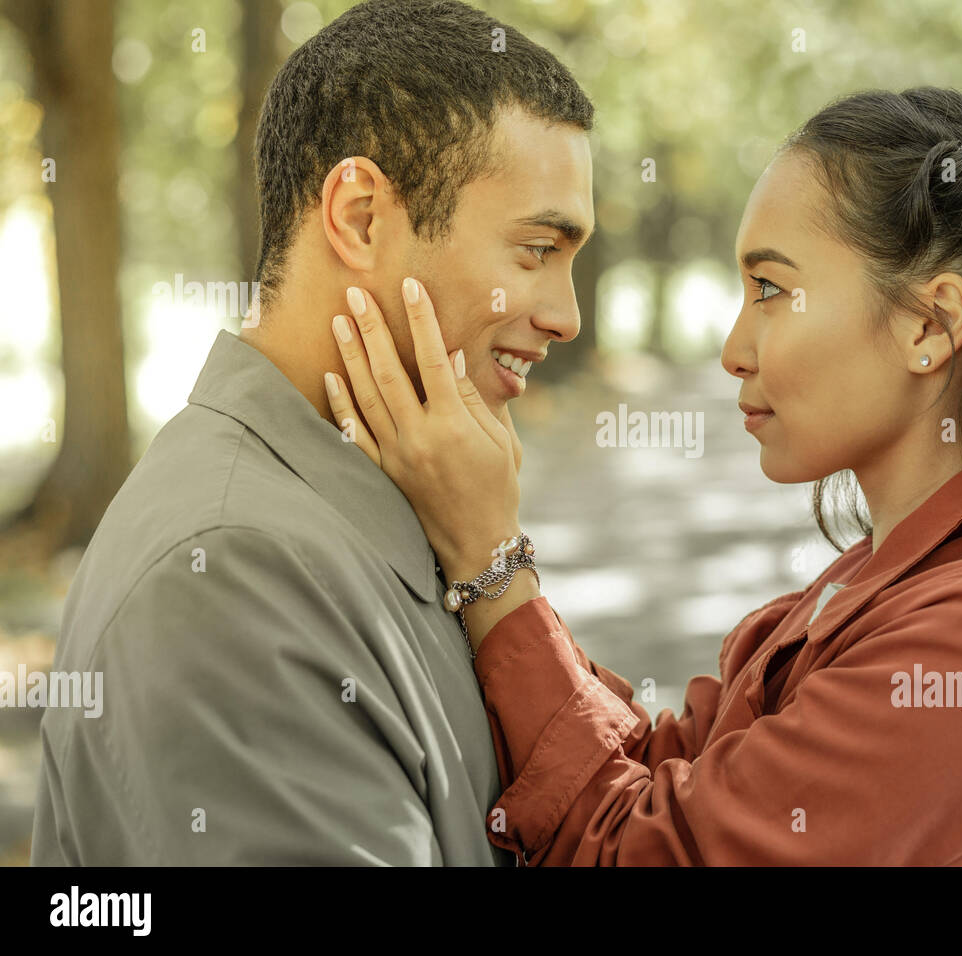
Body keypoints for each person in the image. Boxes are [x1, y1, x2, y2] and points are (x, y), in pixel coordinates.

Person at [324, 87, 962, 866]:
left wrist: (491, 561)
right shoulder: (878, 582)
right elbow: (660, 767)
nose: (732, 350)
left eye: (771, 290)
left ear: (931, 324)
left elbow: (628, 851)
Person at [31, 0, 593, 865]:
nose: (566, 317)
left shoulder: (397, 500)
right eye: (535, 250)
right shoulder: (229, 573)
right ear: (361, 218)